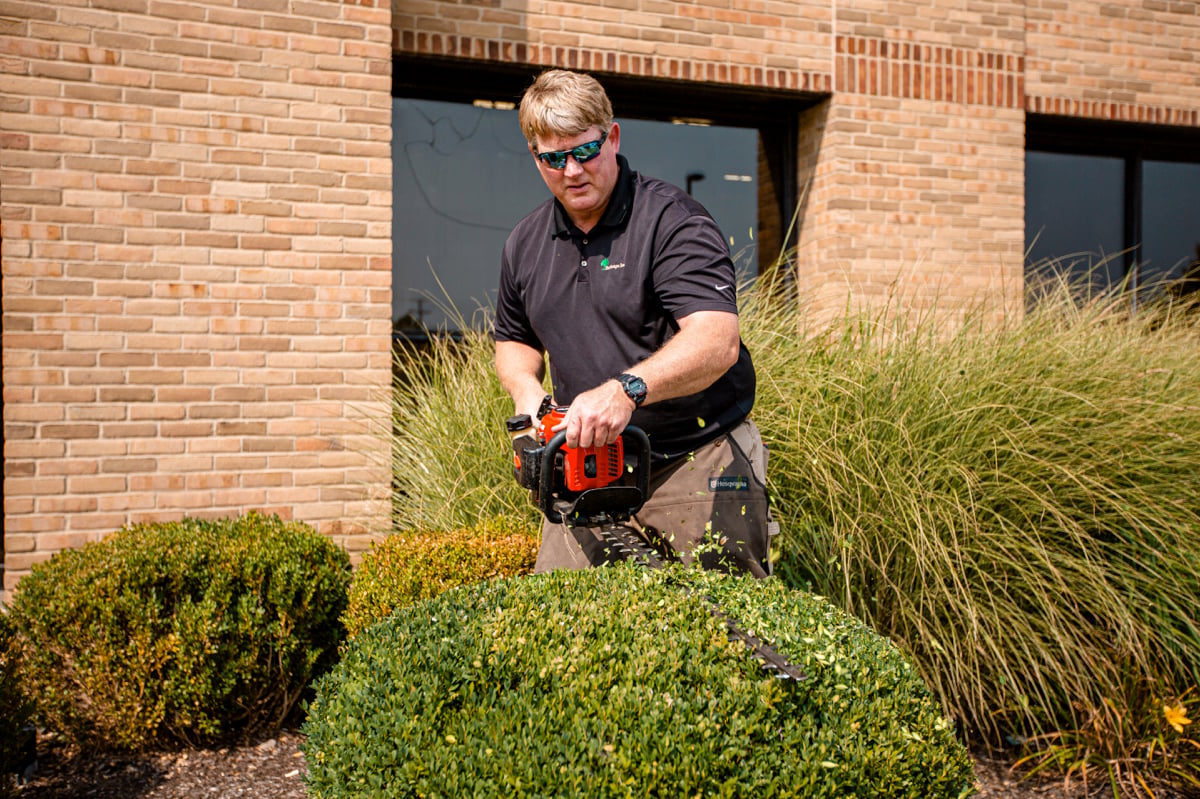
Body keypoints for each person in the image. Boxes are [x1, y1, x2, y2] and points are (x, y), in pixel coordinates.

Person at [494, 69, 776, 578]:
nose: (572, 171)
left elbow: (717, 340)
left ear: (613, 138)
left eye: (585, 151)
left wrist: (626, 391)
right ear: (535, 157)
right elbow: (514, 339)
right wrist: (527, 392)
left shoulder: (673, 221)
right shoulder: (525, 243)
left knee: (718, 619)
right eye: (554, 158)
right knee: (562, 613)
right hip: (587, 467)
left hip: (695, 457)